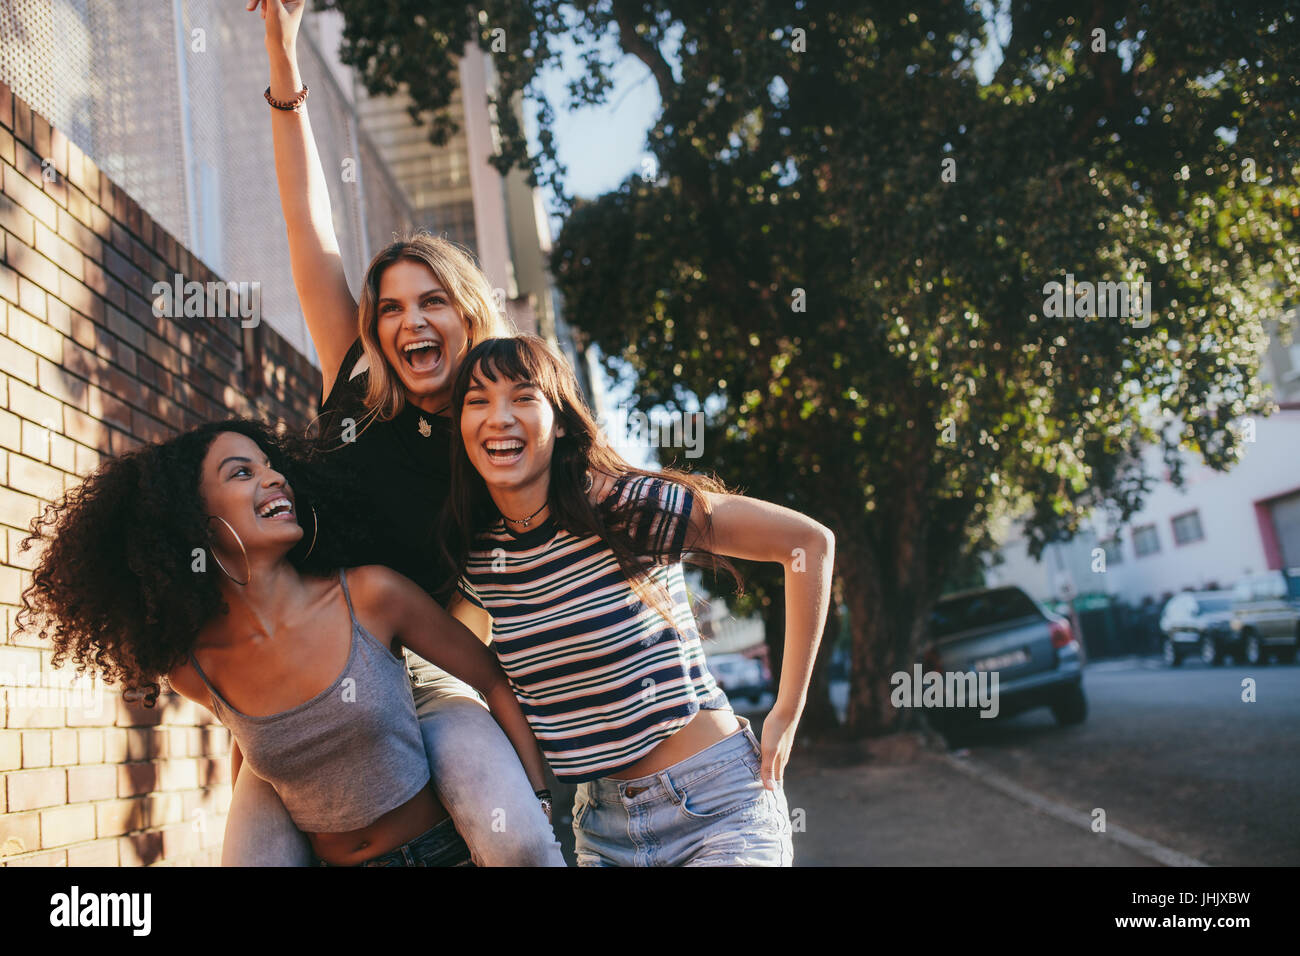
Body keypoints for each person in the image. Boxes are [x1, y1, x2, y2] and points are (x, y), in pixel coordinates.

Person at [241, 0, 592, 865]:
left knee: (514, 844)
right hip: (303, 681)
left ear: (470, 315)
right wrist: (283, 61)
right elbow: (308, 228)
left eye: (432, 300)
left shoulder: (500, 434)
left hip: (427, 678)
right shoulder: (354, 383)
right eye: (390, 308)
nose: (410, 321)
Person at [16, 419, 550, 866]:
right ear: (194, 523)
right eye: (243, 473)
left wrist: (539, 796)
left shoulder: (371, 594)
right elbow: (251, 742)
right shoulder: (194, 671)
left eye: (271, 467)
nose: (274, 479)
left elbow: (490, 678)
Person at [440, 336, 837, 866]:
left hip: (717, 809)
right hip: (603, 832)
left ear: (559, 420)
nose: (500, 417)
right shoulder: (480, 559)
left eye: (523, 397)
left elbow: (807, 544)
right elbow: (470, 678)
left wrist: (787, 710)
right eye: (478, 400)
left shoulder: (624, 506)